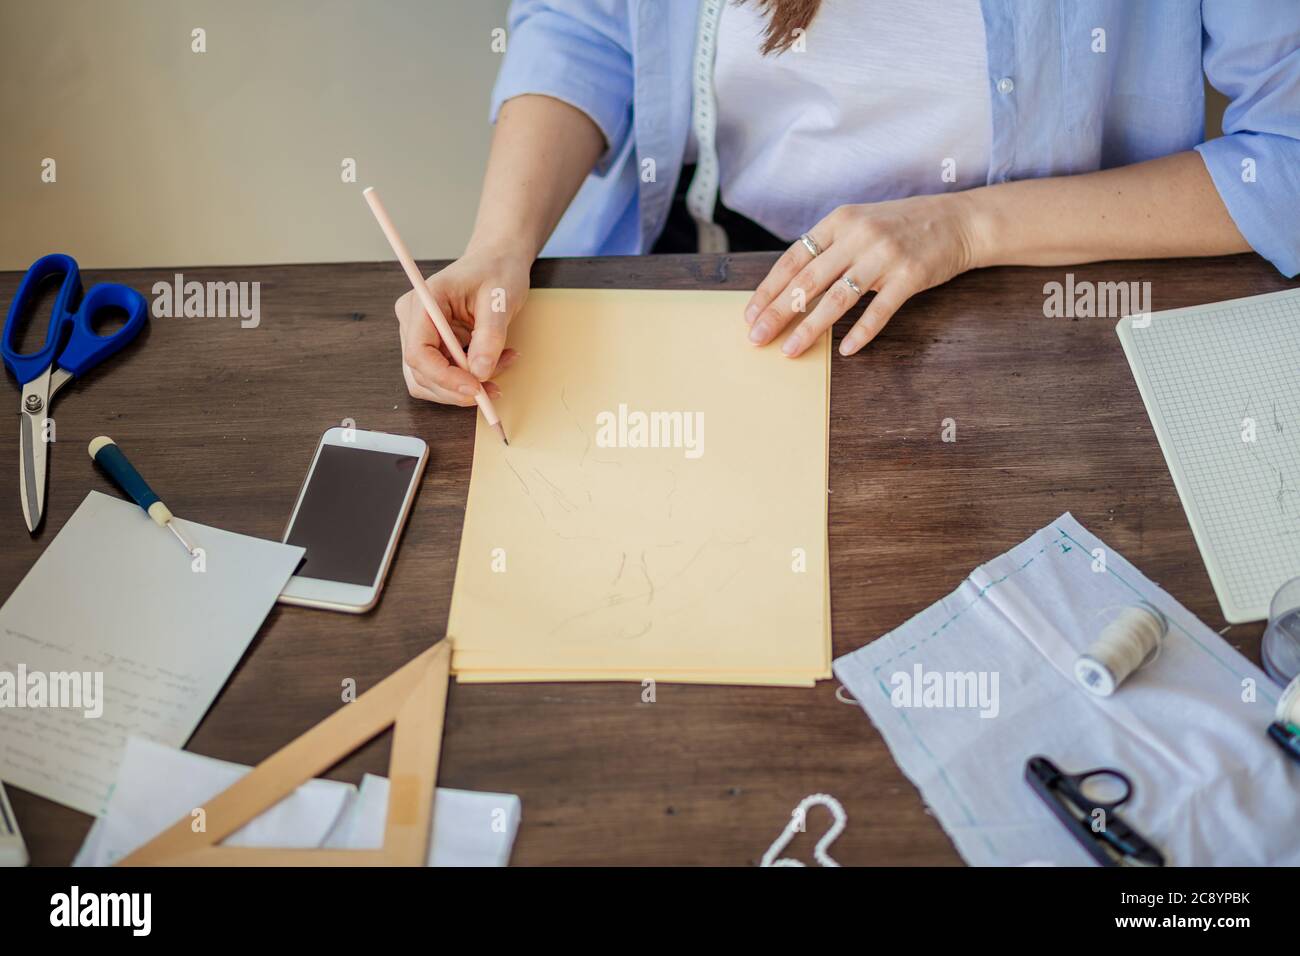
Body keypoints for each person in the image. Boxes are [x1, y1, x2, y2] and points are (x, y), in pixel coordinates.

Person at [395, 0, 1300, 407]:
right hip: (711, 260)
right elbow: (588, 26)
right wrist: (500, 245)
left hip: (1036, 294)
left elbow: (1285, 162)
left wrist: (965, 227)